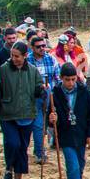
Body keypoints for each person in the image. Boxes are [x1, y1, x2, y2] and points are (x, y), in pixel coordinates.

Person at [0, 42, 44, 179]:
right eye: (12, 55)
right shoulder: (3, 69)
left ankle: (18, 178)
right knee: (13, 143)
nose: (13, 59)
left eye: (17, 56)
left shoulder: (33, 71)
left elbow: (38, 88)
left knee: (23, 146)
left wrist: (41, 90)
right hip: (8, 114)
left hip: (27, 113)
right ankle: (9, 167)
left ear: (25, 56)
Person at [49, 61, 90, 179]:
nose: (70, 83)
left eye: (73, 79)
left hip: (81, 134)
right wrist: (52, 120)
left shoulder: (84, 92)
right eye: (67, 80)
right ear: (61, 78)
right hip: (66, 135)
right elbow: (49, 118)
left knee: (80, 165)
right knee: (73, 166)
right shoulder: (55, 94)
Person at [26, 33, 61, 164]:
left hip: (50, 96)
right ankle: (40, 152)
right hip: (34, 97)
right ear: (32, 48)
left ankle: (54, 143)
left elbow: (57, 79)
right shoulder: (28, 61)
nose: (42, 48)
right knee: (39, 125)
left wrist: (57, 95)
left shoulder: (51, 59)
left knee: (52, 122)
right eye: (38, 46)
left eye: (43, 46)